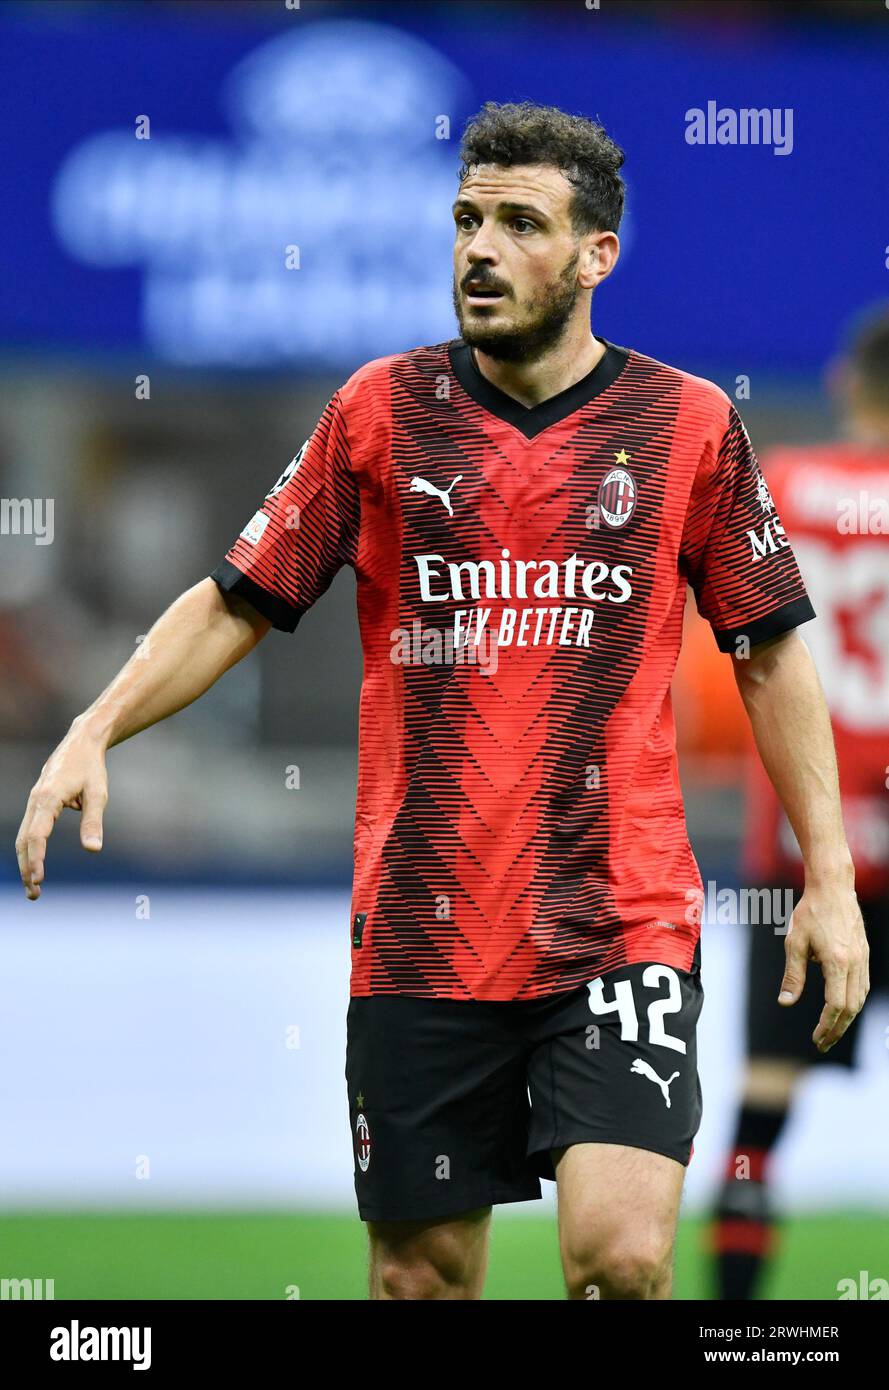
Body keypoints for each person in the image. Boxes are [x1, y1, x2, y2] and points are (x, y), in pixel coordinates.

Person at [15, 101, 868, 1301]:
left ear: (594, 256)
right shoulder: (378, 412)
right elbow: (238, 598)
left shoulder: (688, 426)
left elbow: (772, 653)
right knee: (420, 1281)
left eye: (521, 224)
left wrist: (825, 879)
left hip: (619, 917)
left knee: (621, 1261)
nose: (479, 247)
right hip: (423, 925)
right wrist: (94, 724)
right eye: (467, 218)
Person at [711, 305, 889, 1301]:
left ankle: (735, 1324)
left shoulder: (783, 484)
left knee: (761, 1109)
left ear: (847, 383)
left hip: (801, 854)